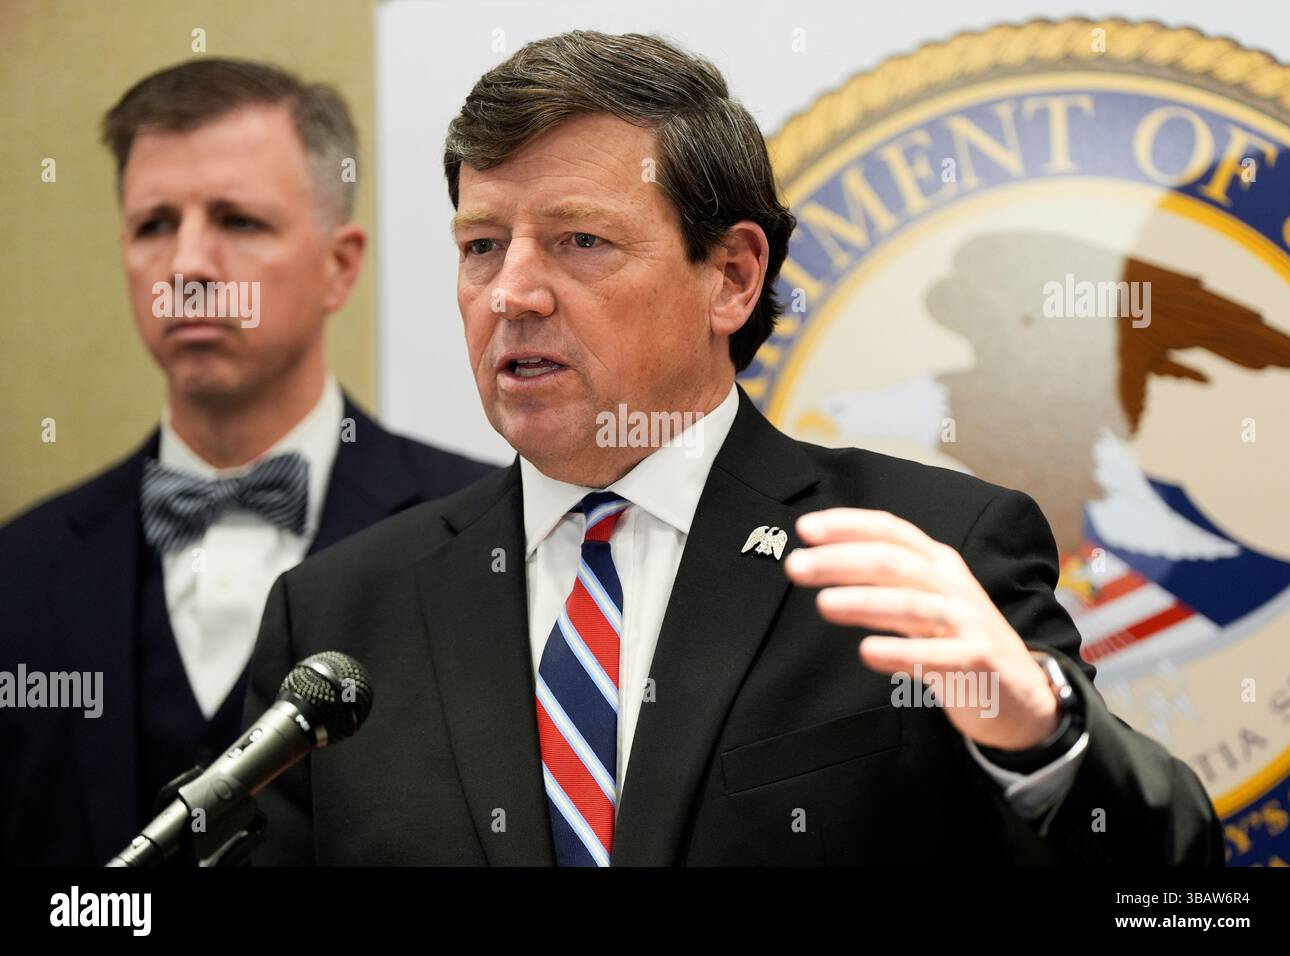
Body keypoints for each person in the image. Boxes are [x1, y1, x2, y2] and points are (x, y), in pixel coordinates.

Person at [243, 32, 1223, 865]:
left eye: (580, 240)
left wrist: (1039, 734)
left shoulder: (928, 552)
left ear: (733, 277)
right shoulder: (339, 614)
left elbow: (1176, 876)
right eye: (481, 245)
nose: (512, 293)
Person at [0, 59, 493, 865]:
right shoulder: (17, 572)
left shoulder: (487, 538)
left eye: (237, 220)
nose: (188, 267)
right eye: (155, 224)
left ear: (340, 265)